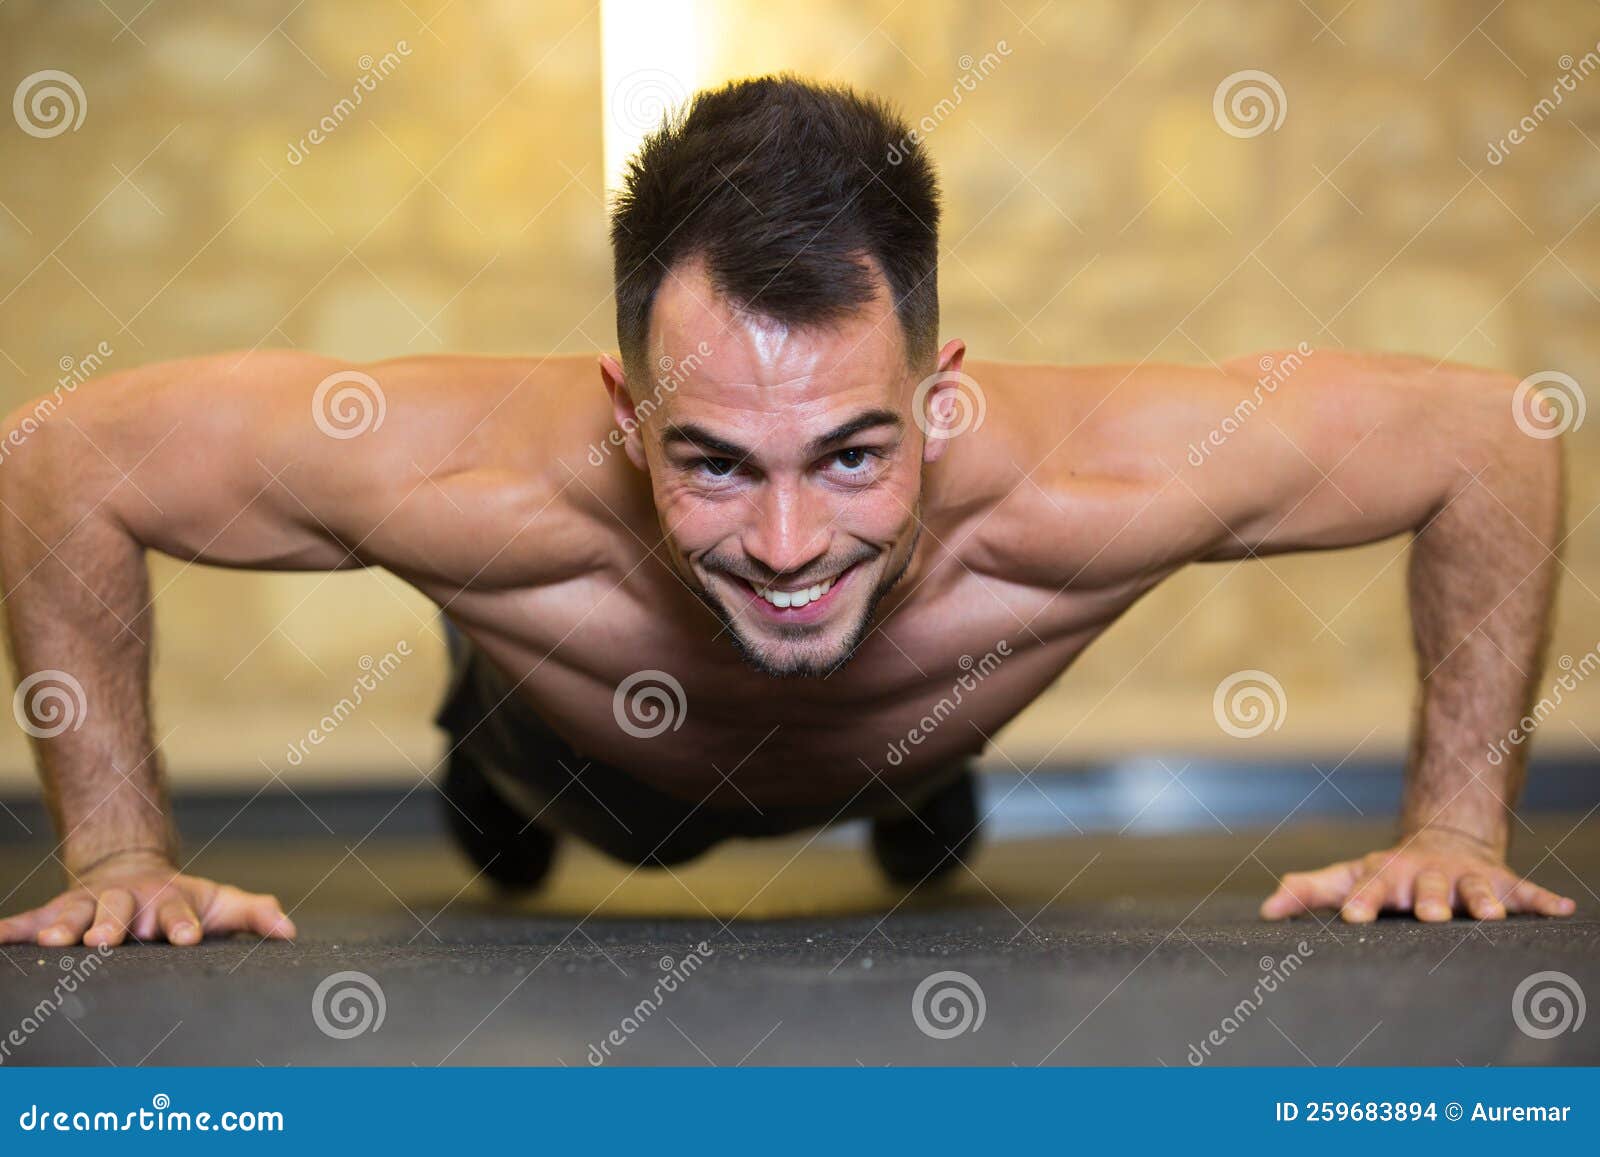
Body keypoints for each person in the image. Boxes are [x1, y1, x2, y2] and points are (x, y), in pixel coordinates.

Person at [0, 76, 1576, 949]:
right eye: (710, 464)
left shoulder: (1109, 475)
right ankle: (485, 735)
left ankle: (914, 787)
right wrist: (121, 853)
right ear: (626, 415)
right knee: (513, 810)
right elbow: (61, 457)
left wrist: (1453, 826)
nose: (784, 542)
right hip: (575, 768)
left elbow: (1494, 438)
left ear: (940, 401)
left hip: (908, 732)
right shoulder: (465, 471)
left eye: (851, 456)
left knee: (903, 722)